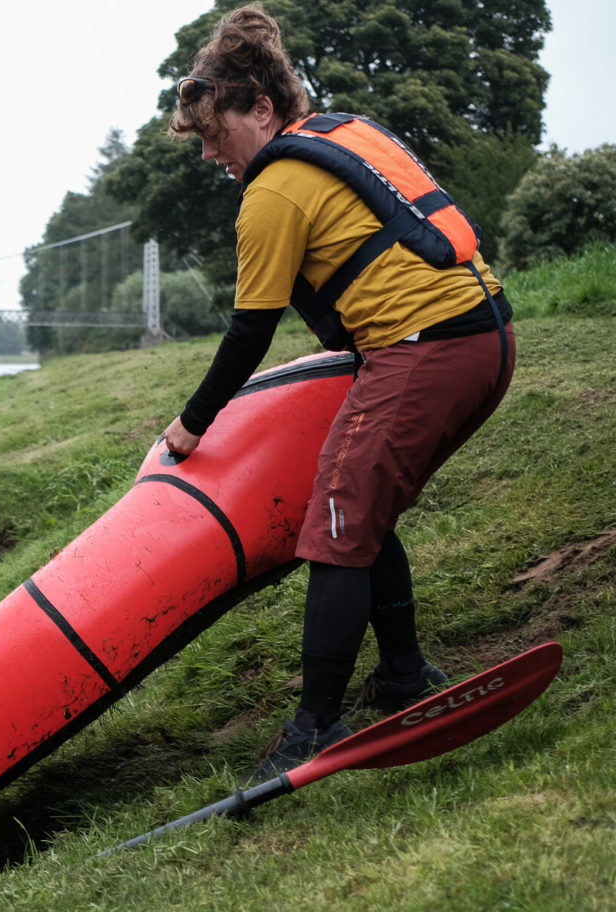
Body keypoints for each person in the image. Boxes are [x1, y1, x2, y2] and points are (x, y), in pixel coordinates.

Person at [160, 5, 516, 781]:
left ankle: (314, 723)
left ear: (261, 107)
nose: (215, 155)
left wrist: (190, 426)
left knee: (333, 527)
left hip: (426, 349)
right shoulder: (342, 137)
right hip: (487, 339)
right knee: (363, 511)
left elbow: (248, 333)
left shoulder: (274, 189)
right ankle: (402, 675)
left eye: (218, 135)